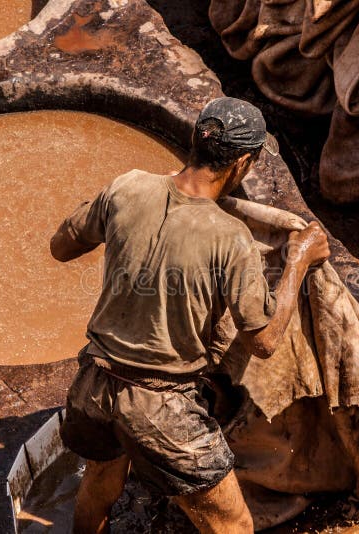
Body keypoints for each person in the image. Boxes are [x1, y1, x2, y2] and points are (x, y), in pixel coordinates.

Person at [50, 97, 330, 534]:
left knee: (101, 484)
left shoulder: (129, 186)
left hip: (93, 385)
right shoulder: (230, 238)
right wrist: (297, 263)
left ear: (196, 141)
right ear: (242, 163)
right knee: (234, 524)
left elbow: (61, 246)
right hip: (160, 406)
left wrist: (119, 214)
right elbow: (264, 341)